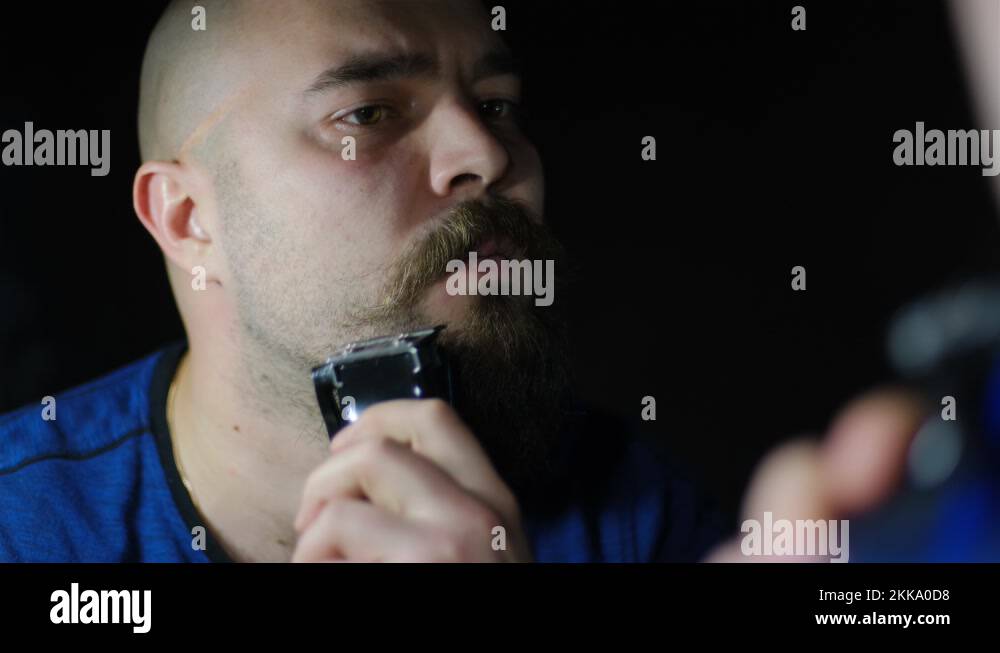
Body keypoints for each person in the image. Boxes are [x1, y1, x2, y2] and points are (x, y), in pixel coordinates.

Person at [0, 0, 926, 563]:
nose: (486, 151)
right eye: (367, 112)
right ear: (187, 220)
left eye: (497, 107)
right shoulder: (22, 528)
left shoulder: (635, 510)